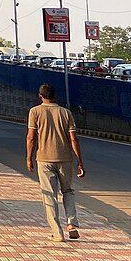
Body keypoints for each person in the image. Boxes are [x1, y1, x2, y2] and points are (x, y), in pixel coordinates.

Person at [26, 83, 85, 242]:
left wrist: (29, 158)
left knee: (49, 196)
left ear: (40, 96)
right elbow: (73, 138)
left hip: (44, 159)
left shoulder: (35, 112)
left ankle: (57, 232)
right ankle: (71, 223)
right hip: (65, 159)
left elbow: (31, 137)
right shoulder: (66, 113)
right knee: (68, 191)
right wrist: (80, 161)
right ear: (54, 95)